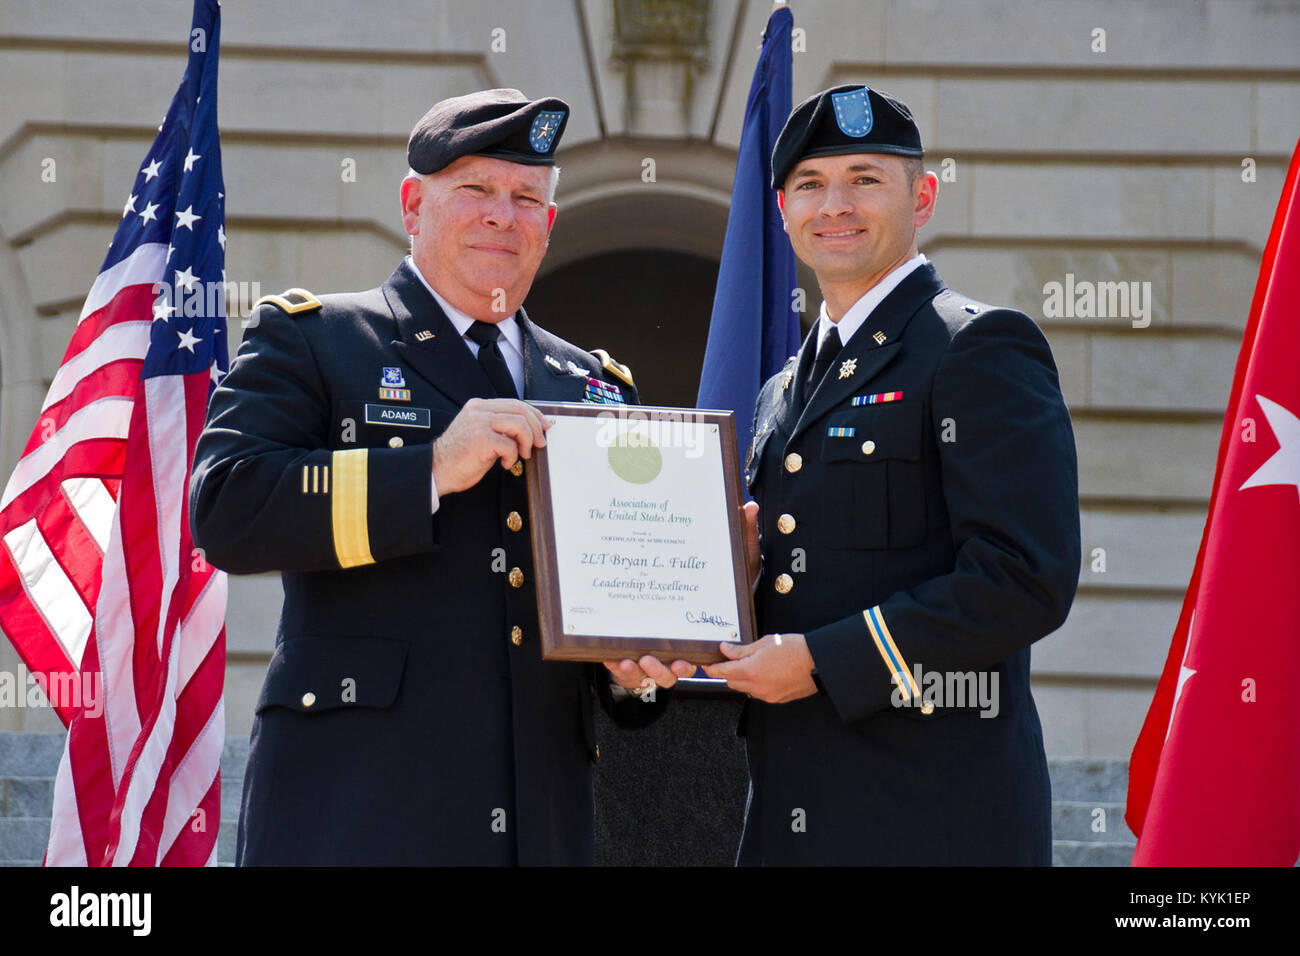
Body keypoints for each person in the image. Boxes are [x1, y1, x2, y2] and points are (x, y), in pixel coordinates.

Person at [190, 89, 692, 865]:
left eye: (527, 197)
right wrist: (425, 471)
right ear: (412, 205)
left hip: (539, 824)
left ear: (548, 226)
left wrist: (634, 674)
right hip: (357, 816)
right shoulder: (318, 343)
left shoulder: (596, 388)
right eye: (476, 189)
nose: (502, 214)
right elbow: (228, 506)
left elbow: (616, 672)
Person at [705, 84, 1081, 865]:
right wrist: (733, 580)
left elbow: (1023, 577)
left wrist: (822, 662)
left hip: (932, 815)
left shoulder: (978, 348)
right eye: (809, 184)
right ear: (781, 211)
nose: (834, 204)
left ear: (923, 195)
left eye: (865, 178)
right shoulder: (784, 389)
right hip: (790, 812)